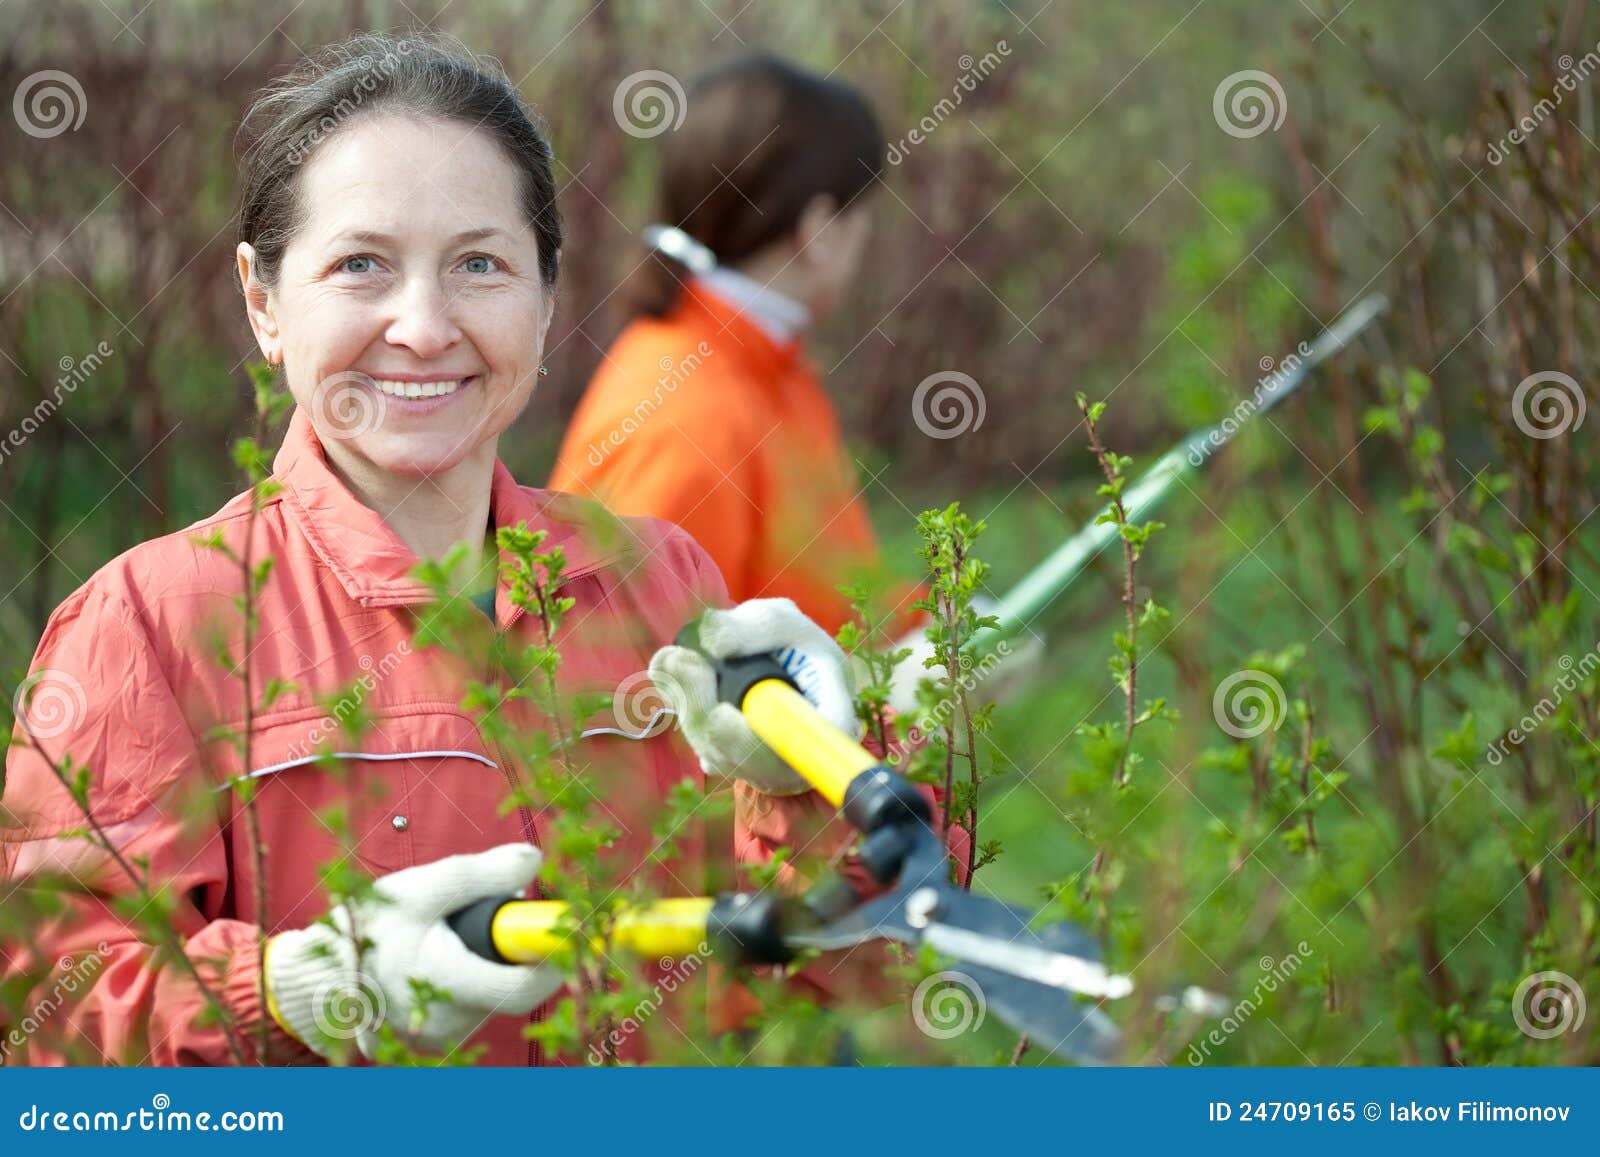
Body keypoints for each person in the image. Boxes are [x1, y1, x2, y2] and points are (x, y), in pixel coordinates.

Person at [0, 33, 857, 1067]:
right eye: (360, 264)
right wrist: (292, 988)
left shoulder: (662, 581)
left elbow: (803, 969)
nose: (422, 324)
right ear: (263, 301)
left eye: (479, 265)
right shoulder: (145, 624)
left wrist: (821, 788)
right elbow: (47, 1010)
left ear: (544, 297)